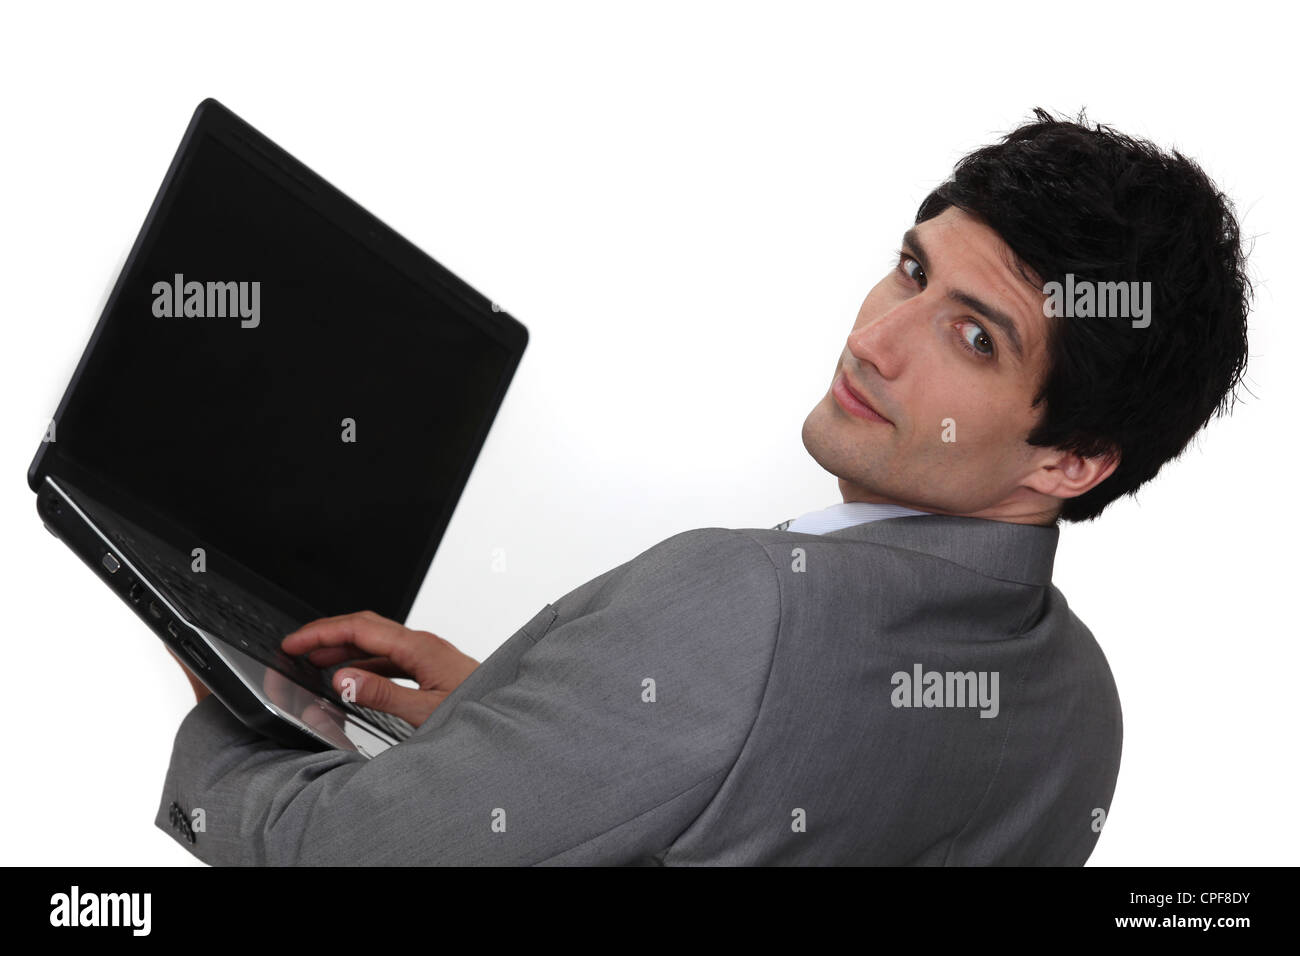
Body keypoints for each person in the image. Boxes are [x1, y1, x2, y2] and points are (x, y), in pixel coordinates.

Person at [157, 108, 1252, 865]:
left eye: (972, 336)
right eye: (912, 270)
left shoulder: (748, 606)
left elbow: (328, 853)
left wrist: (223, 701)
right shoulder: (1079, 710)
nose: (875, 341)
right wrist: (529, 716)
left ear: (1070, 458)